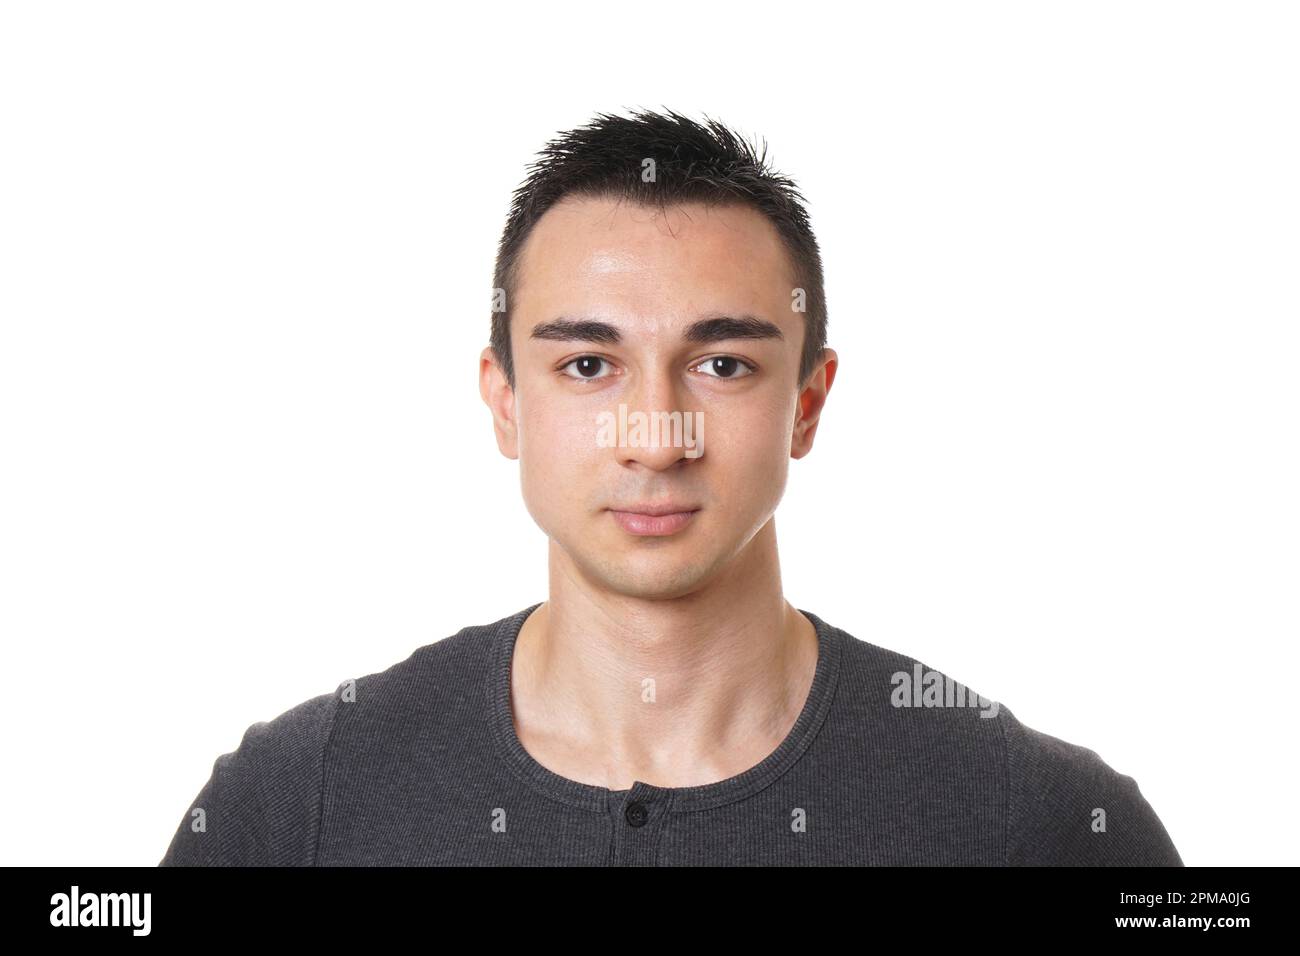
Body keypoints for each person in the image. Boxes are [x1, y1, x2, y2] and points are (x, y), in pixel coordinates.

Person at [160, 109, 1182, 866]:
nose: (655, 436)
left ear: (808, 402)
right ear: (505, 400)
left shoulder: (1037, 822)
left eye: (722, 364)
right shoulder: (302, 799)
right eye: (588, 366)